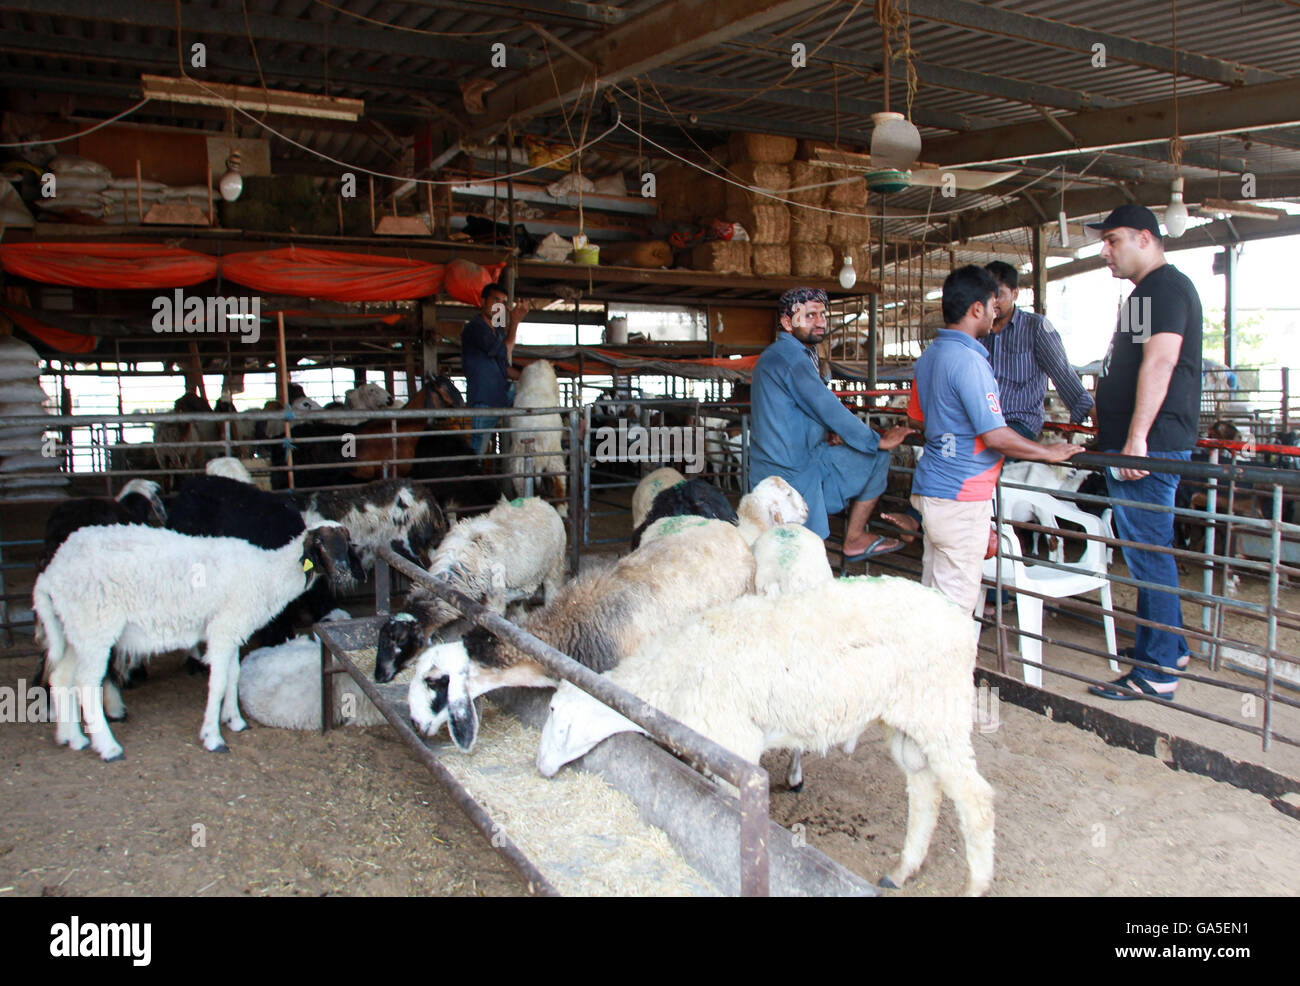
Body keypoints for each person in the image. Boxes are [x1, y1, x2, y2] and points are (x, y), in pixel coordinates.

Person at [910, 266, 1080, 617]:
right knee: (955, 608)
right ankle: (950, 671)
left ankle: (924, 668)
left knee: (932, 597)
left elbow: (916, 419)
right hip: (962, 496)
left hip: (933, 488)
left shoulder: (930, 356)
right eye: (990, 305)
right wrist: (1047, 452)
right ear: (975, 309)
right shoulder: (971, 361)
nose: (994, 312)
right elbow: (995, 435)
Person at [1084, 204, 1202, 702]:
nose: (1104, 251)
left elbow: (1161, 360)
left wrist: (1136, 439)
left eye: (1113, 240)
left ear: (1146, 238)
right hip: (1127, 440)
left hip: (1145, 446)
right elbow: (1124, 364)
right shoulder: (1140, 296)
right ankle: (1170, 647)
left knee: (1147, 553)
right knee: (1144, 548)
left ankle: (1155, 673)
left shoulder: (1166, 288)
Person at [749, 286, 913, 560]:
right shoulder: (790, 359)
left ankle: (855, 537)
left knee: (782, 550)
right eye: (810, 315)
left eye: (823, 315)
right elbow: (825, 405)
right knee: (799, 552)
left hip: (798, 461)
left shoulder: (790, 355)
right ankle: (852, 538)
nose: (821, 321)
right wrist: (875, 438)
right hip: (789, 472)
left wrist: (831, 433)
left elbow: (804, 407)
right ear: (788, 322)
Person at [981, 261, 1094, 440]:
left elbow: (1062, 373)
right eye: (987, 295)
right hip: (982, 421)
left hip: (1017, 422)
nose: (993, 301)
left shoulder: (1036, 327)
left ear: (1015, 294)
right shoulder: (978, 330)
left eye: (1000, 294)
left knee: (985, 453)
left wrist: (1090, 412)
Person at [461, 282, 529, 454]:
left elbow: (505, 368)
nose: (499, 306)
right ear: (483, 301)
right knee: (478, 449)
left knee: (530, 396)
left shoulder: (497, 331)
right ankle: (472, 478)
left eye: (503, 302)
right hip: (484, 399)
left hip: (502, 393)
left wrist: (531, 377)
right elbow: (505, 352)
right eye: (495, 300)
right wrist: (515, 322)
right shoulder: (476, 328)